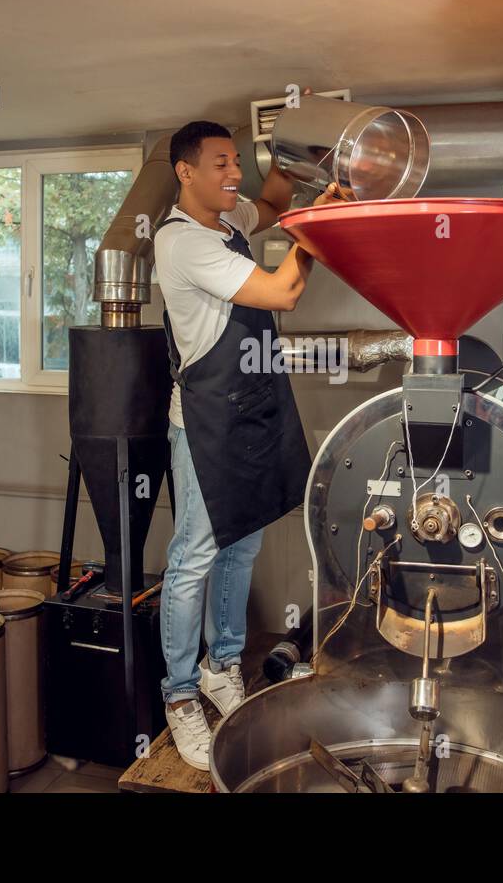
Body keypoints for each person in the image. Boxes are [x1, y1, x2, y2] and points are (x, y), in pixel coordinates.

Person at [153, 120, 341, 769]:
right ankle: (179, 695)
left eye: (237, 161)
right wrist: (323, 224)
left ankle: (221, 664)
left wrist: (296, 151)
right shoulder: (180, 243)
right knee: (195, 556)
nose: (234, 174)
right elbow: (282, 289)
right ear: (185, 172)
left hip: (252, 410)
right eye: (221, 164)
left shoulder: (227, 216)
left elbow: (270, 206)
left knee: (243, 542)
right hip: (205, 421)